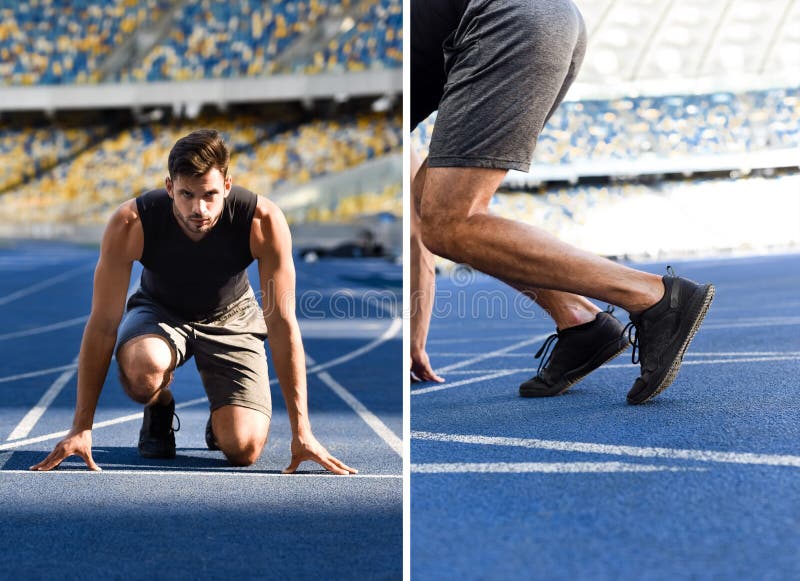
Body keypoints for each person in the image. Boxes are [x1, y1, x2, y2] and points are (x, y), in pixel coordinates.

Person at [410, 0, 715, 403]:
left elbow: (422, 235)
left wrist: (413, 337)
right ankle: (580, 321)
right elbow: (417, 217)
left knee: (450, 224)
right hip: (538, 19)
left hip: (508, 21)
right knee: (431, 202)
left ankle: (655, 297)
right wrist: (414, 336)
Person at [32, 129, 356, 473]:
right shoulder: (132, 223)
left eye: (209, 195)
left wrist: (302, 431)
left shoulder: (263, 222)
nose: (198, 209)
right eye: (186, 194)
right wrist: (81, 428)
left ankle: (223, 418)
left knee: (242, 449)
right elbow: (102, 324)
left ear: (227, 187)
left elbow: (282, 321)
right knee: (142, 371)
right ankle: (159, 404)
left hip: (232, 314)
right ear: (169, 187)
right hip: (159, 309)